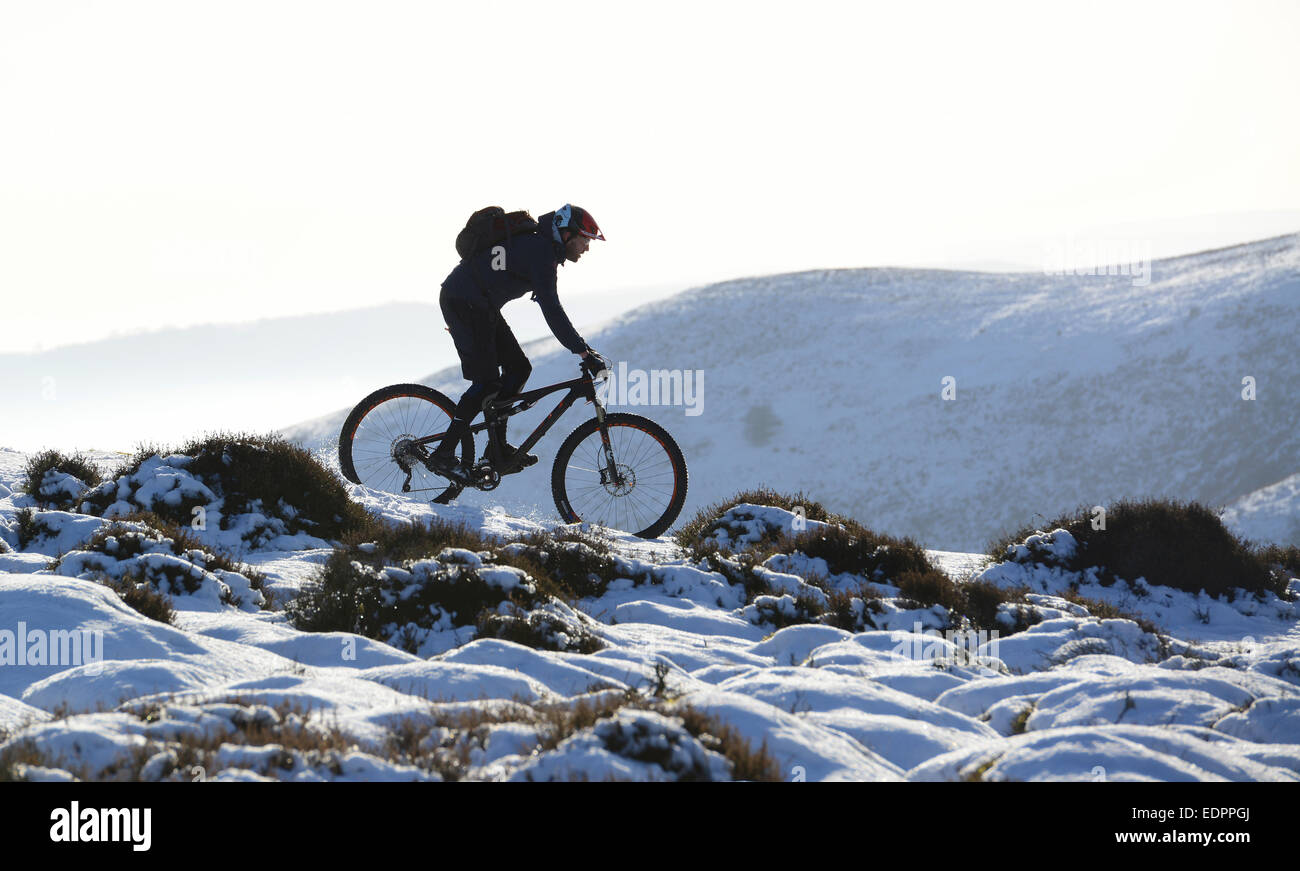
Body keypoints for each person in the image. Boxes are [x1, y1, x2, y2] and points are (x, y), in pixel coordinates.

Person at [428, 204, 608, 481]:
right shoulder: (542, 253)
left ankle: (496, 449)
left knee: (518, 369)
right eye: (585, 239)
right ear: (568, 234)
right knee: (487, 382)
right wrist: (582, 351)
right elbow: (552, 310)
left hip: (479, 305)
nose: (586, 248)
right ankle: (443, 454)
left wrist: (580, 348)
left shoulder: (541, 247)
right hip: (464, 302)